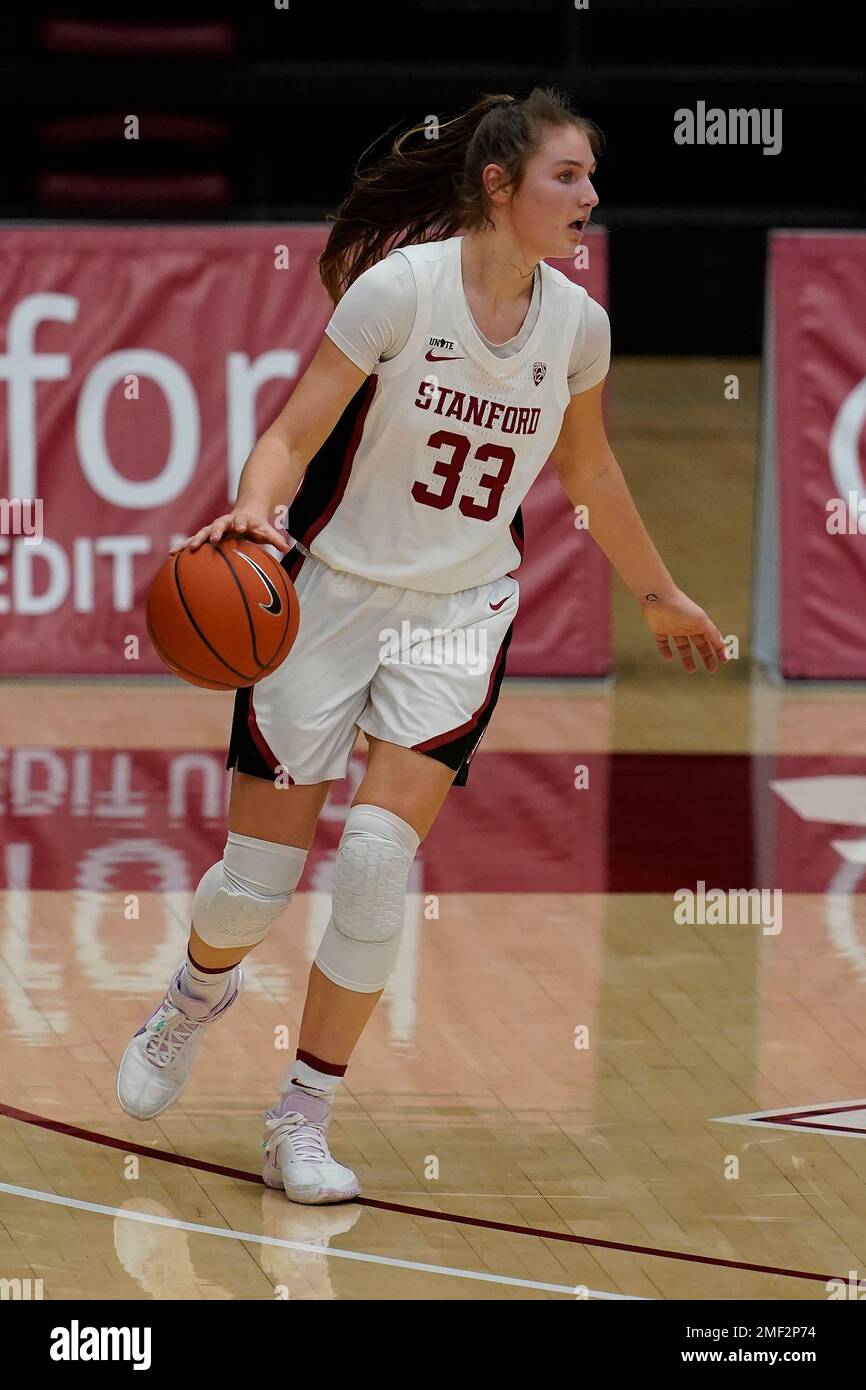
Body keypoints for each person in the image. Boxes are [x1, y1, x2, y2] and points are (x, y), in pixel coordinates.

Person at [117, 86, 727, 1204]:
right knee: (252, 887)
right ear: (497, 186)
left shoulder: (576, 325)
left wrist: (658, 592)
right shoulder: (401, 289)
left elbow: (585, 473)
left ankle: (299, 1115)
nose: (589, 197)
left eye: (590, 178)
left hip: (459, 608)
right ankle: (193, 998)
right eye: (566, 177)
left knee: (374, 860)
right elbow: (294, 431)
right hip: (330, 595)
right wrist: (256, 507)